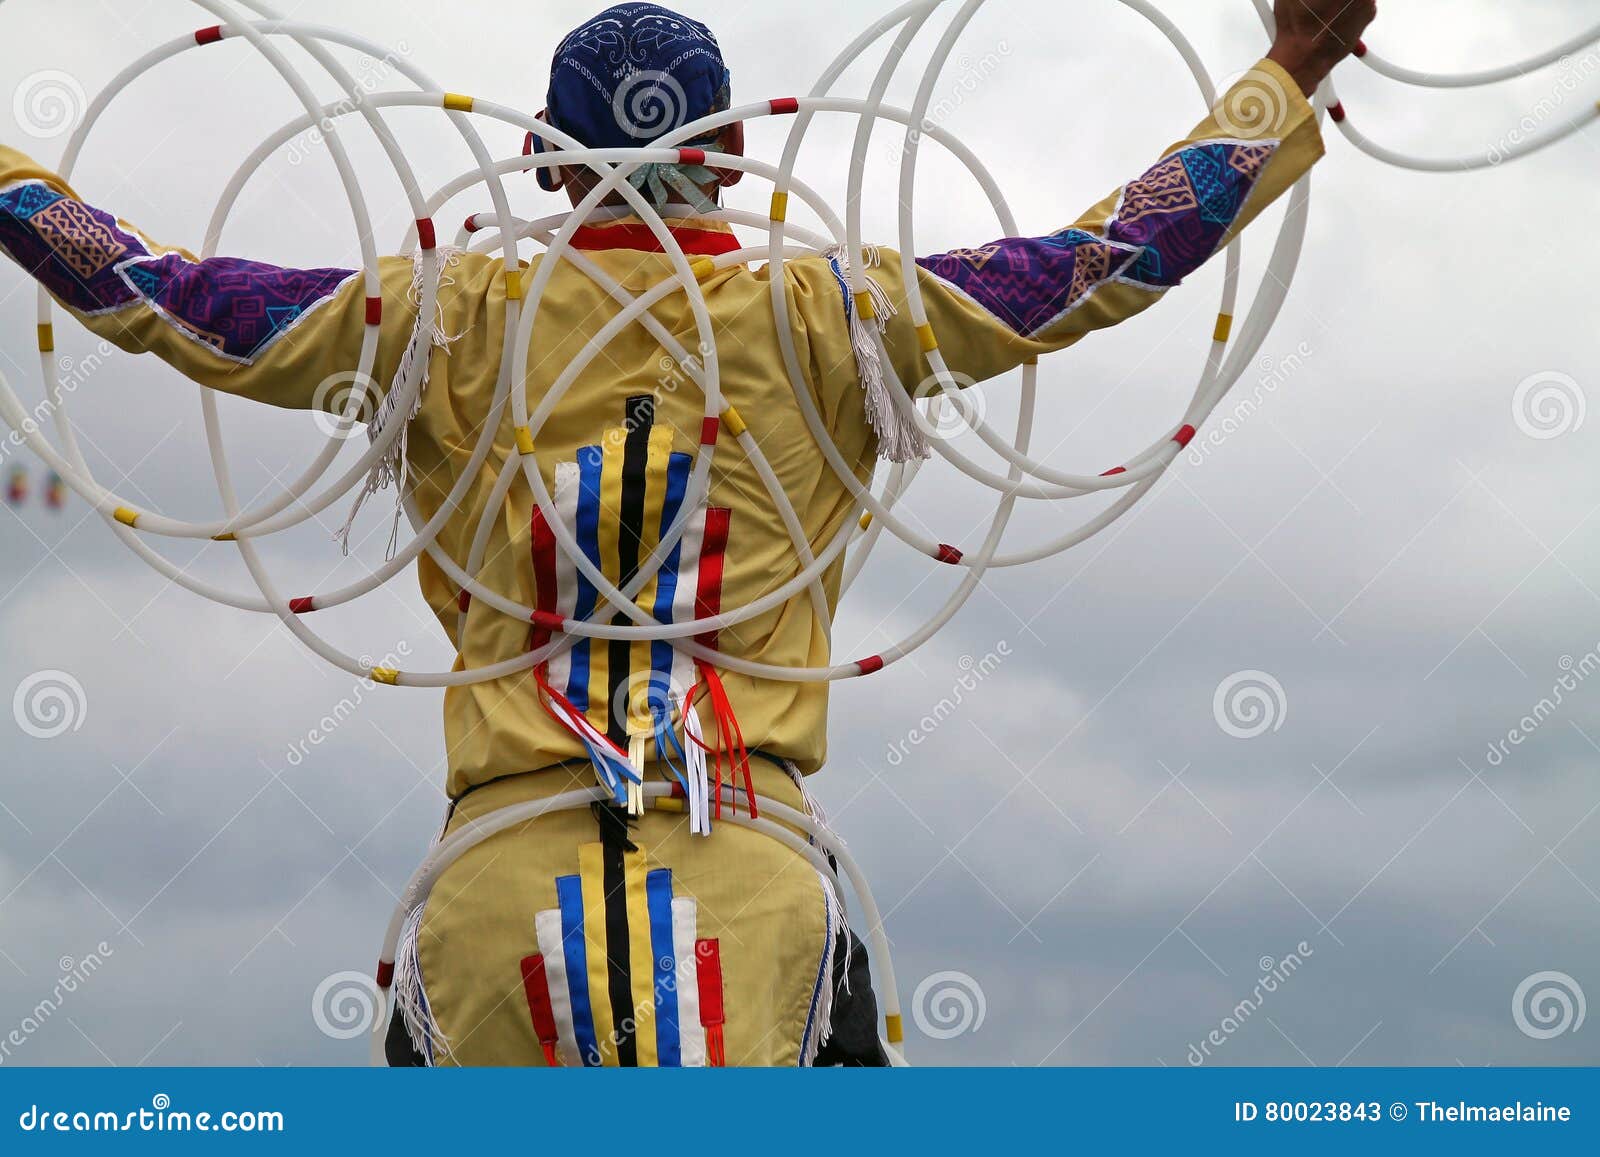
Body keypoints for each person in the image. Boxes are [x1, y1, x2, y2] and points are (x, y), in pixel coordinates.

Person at [0, 0, 1376, 1066]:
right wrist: (1290, 68)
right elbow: (1103, 260)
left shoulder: (436, 317)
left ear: (544, 161)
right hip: (754, 892)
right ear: (726, 155)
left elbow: (155, 293)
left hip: (496, 900)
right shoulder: (835, 315)